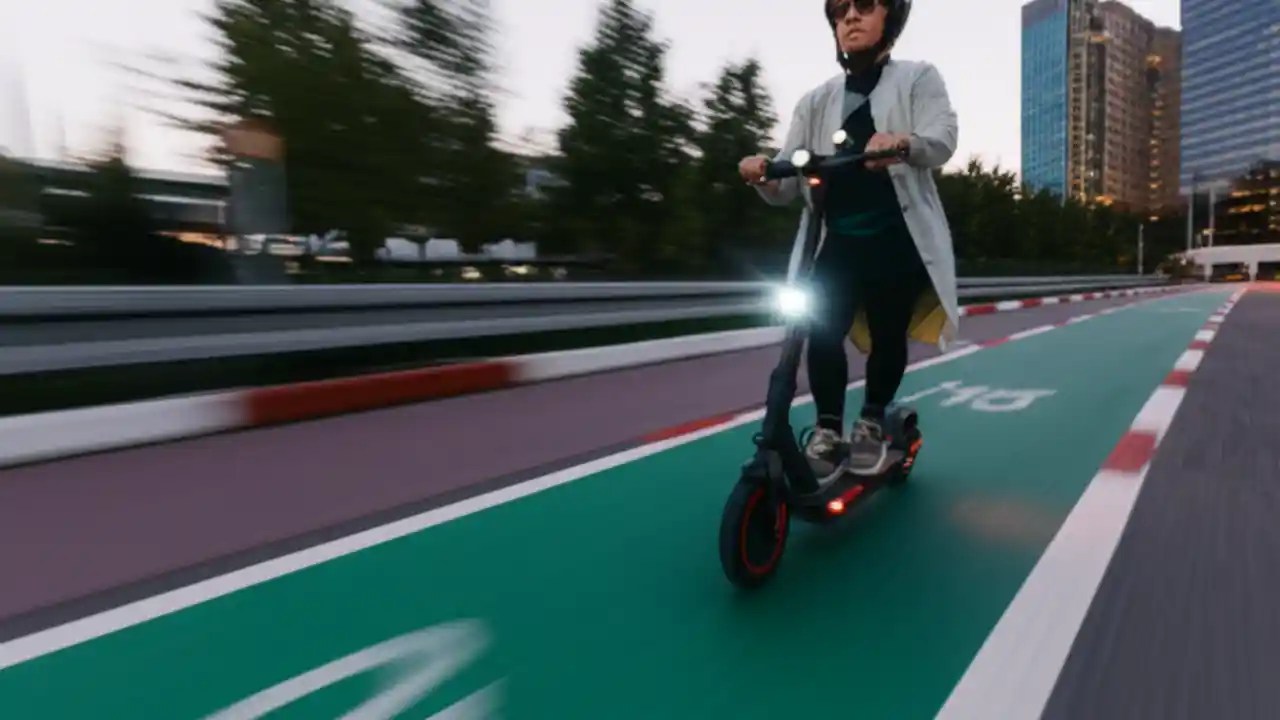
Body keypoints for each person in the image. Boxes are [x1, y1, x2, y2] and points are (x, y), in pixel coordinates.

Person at [737, 0, 960, 484]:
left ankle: (872, 421)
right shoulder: (816, 100)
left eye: (864, 6)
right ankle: (827, 430)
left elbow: (942, 139)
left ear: (890, 20)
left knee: (886, 334)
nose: (850, 18)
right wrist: (761, 173)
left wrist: (901, 142)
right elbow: (787, 183)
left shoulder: (918, 78)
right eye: (839, 12)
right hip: (837, 241)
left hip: (896, 238)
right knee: (818, 330)